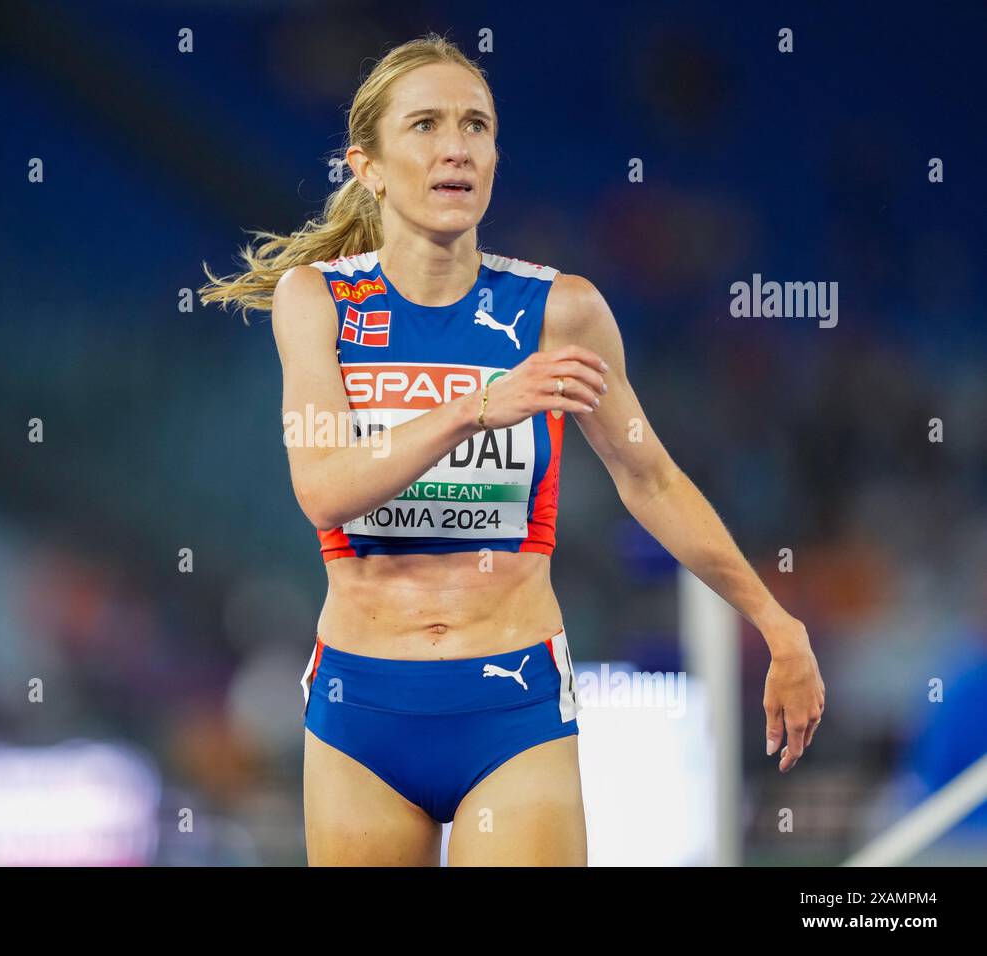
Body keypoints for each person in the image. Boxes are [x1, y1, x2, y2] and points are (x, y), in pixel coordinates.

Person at [200, 34, 824, 866]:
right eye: (424, 125)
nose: (455, 146)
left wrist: (776, 621)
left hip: (512, 705)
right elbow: (324, 488)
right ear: (368, 165)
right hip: (362, 706)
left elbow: (653, 480)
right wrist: (476, 407)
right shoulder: (318, 303)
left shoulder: (560, 311)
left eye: (476, 126)